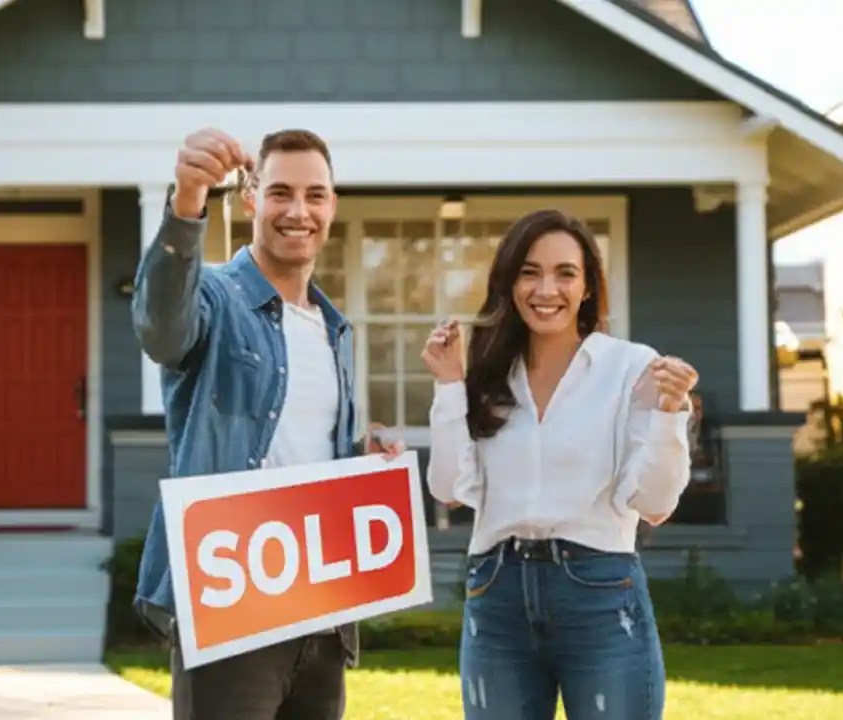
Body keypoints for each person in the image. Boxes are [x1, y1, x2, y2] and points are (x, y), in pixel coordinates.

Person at [130, 127, 403, 719]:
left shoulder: (334, 330)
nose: (298, 211)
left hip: (322, 609)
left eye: (315, 195)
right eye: (280, 192)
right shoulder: (216, 299)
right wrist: (187, 200)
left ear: (332, 205)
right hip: (232, 600)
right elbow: (161, 328)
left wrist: (364, 453)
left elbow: (296, 445)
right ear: (251, 199)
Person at [421, 209, 698, 720]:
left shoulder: (630, 367)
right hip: (496, 591)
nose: (546, 289)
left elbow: (654, 505)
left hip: (599, 591)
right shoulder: (484, 370)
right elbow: (448, 488)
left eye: (565, 273)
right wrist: (447, 386)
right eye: (529, 271)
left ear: (588, 286)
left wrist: (669, 412)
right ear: (508, 282)